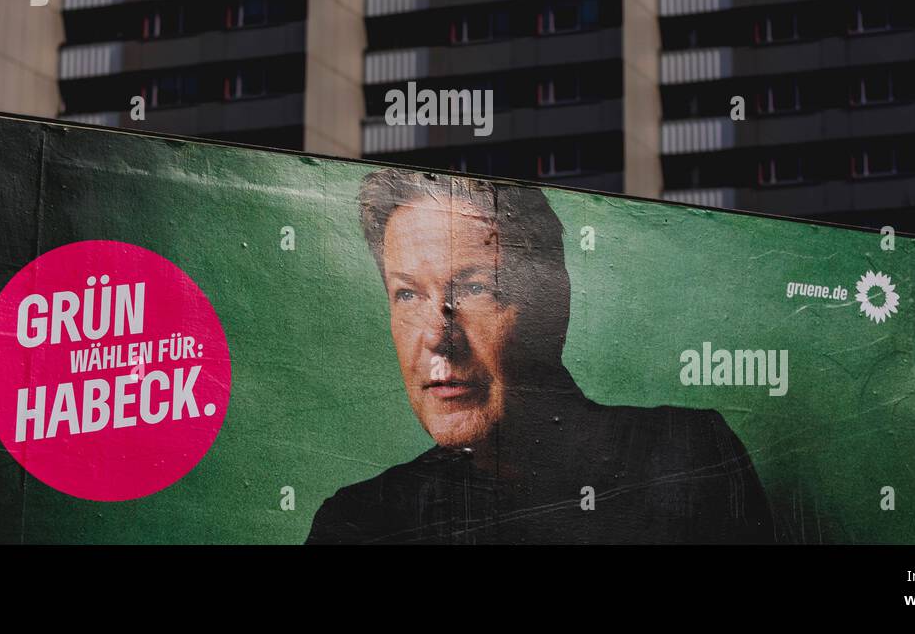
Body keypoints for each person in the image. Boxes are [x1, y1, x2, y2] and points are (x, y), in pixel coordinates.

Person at [305, 168, 780, 544]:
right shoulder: (362, 524)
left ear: (553, 305)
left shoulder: (686, 458)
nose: (436, 335)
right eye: (407, 295)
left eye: (474, 287)